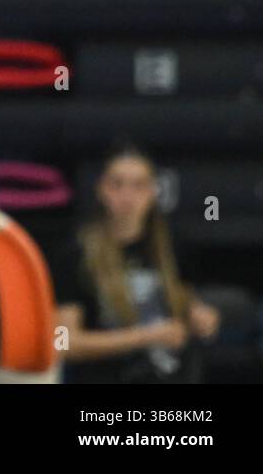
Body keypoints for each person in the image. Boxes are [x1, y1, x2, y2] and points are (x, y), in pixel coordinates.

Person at [51, 139, 220, 383]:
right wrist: (146, 337)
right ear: (101, 189)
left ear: (153, 191)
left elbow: (186, 300)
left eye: (139, 185)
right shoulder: (75, 253)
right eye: (117, 184)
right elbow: (63, 343)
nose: (127, 196)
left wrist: (201, 316)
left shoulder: (171, 244)